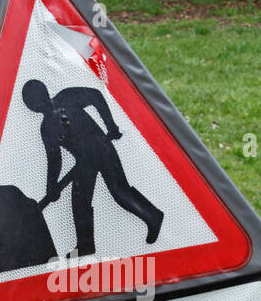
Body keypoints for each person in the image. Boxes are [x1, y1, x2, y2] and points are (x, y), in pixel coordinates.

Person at [22, 78, 163, 257]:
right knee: (80, 201)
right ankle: (85, 244)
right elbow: (54, 159)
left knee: (119, 191)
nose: (38, 105)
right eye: (34, 103)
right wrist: (52, 186)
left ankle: (153, 216)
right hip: (84, 161)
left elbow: (95, 96)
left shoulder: (66, 98)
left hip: (101, 147)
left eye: (36, 101)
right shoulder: (47, 127)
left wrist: (110, 125)